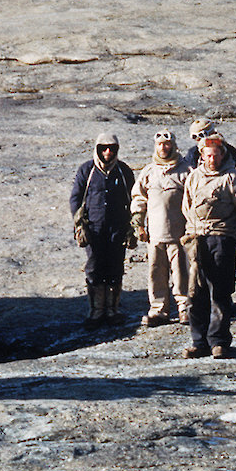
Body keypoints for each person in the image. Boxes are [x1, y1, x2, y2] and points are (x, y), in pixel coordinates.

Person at [181, 133, 236, 358]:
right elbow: (186, 207)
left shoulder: (234, 178)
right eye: (208, 155)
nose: (212, 159)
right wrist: (194, 231)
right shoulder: (194, 177)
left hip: (222, 240)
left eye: (216, 155)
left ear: (222, 155)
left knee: (220, 292)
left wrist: (230, 233)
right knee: (196, 292)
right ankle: (199, 341)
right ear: (202, 156)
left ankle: (219, 341)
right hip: (196, 240)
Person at [70, 132, 135, 329]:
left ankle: (112, 310)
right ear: (97, 149)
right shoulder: (87, 170)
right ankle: (96, 311)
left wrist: (133, 226)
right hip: (93, 228)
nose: (108, 152)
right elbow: (75, 198)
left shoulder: (123, 171)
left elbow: (134, 198)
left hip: (118, 228)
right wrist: (79, 225)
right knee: (94, 267)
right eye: (103, 148)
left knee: (115, 267)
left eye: (112, 148)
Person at [131, 130, 190, 328]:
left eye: (167, 144)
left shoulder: (186, 170)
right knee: (156, 273)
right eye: (159, 144)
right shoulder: (148, 171)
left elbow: (193, 200)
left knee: (182, 273)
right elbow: (139, 198)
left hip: (179, 235)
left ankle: (185, 308)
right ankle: (158, 310)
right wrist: (138, 223)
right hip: (155, 235)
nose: (163, 148)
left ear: (174, 145)